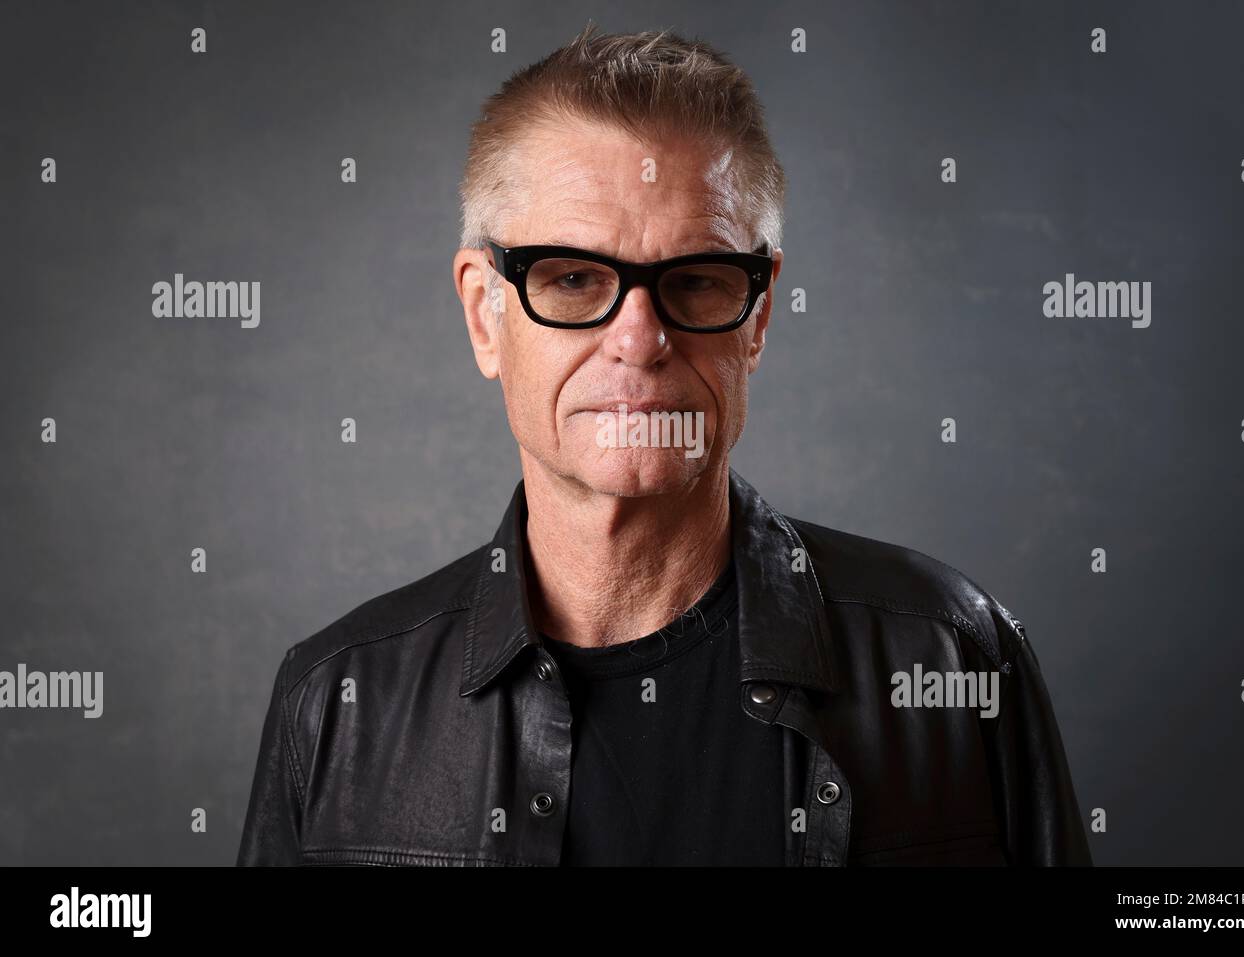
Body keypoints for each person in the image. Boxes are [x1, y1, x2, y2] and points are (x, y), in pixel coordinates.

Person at [237, 23, 1091, 866]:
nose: (638, 339)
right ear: (483, 314)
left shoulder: (953, 658)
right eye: (573, 278)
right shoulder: (337, 701)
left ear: (757, 316)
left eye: (696, 280)